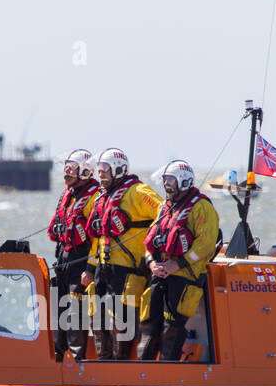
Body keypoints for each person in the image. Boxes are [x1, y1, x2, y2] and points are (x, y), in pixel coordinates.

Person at [82, 148, 161, 359]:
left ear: (119, 169)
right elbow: (97, 238)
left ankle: (121, 365)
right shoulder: (102, 197)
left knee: (121, 322)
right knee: (96, 320)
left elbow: (165, 214)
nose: (101, 174)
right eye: (99, 170)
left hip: (128, 269)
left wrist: (154, 252)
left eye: (105, 170)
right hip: (103, 267)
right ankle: (104, 361)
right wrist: (90, 268)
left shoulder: (138, 192)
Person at [139, 159, 220, 361]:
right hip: (160, 274)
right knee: (149, 322)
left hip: (185, 276)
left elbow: (206, 244)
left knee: (172, 326)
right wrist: (151, 263)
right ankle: (143, 367)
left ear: (183, 181)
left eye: (171, 180)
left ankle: (169, 370)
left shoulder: (201, 207)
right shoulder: (165, 208)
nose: (167, 184)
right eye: (166, 179)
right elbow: (149, 241)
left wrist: (178, 264)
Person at [47, 149, 103, 361]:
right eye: (66, 166)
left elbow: (98, 238)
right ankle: (57, 356)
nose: (67, 170)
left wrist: (90, 269)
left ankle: (77, 358)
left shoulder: (95, 196)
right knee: (57, 311)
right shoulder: (68, 194)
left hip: (81, 263)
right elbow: (57, 226)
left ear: (86, 171)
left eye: (73, 167)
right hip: (63, 261)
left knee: (74, 312)